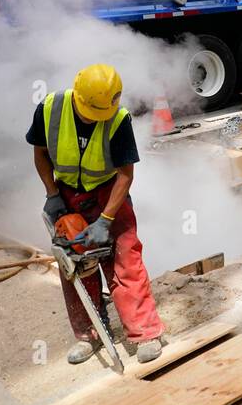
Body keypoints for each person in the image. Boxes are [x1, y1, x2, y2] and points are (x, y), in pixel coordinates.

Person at [28, 64, 165, 364]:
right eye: (90, 111)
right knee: (74, 263)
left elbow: (125, 174)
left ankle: (145, 333)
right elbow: (39, 153)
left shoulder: (117, 119)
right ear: (78, 95)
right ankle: (89, 334)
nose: (94, 118)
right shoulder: (50, 108)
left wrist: (106, 220)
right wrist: (52, 195)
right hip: (66, 194)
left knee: (124, 260)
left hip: (108, 193)